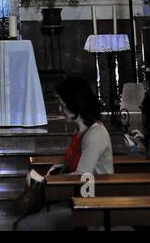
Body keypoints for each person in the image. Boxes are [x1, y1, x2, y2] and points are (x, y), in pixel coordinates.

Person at [15, 75, 112, 230]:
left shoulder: (95, 133)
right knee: (25, 221)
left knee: (25, 226)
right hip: (78, 200)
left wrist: (44, 180)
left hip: (92, 206)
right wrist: (56, 168)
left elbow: (82, 176)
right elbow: (71, 162)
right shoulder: (81, 131)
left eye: (62, 104)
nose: (60, 110)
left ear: (75, 104)